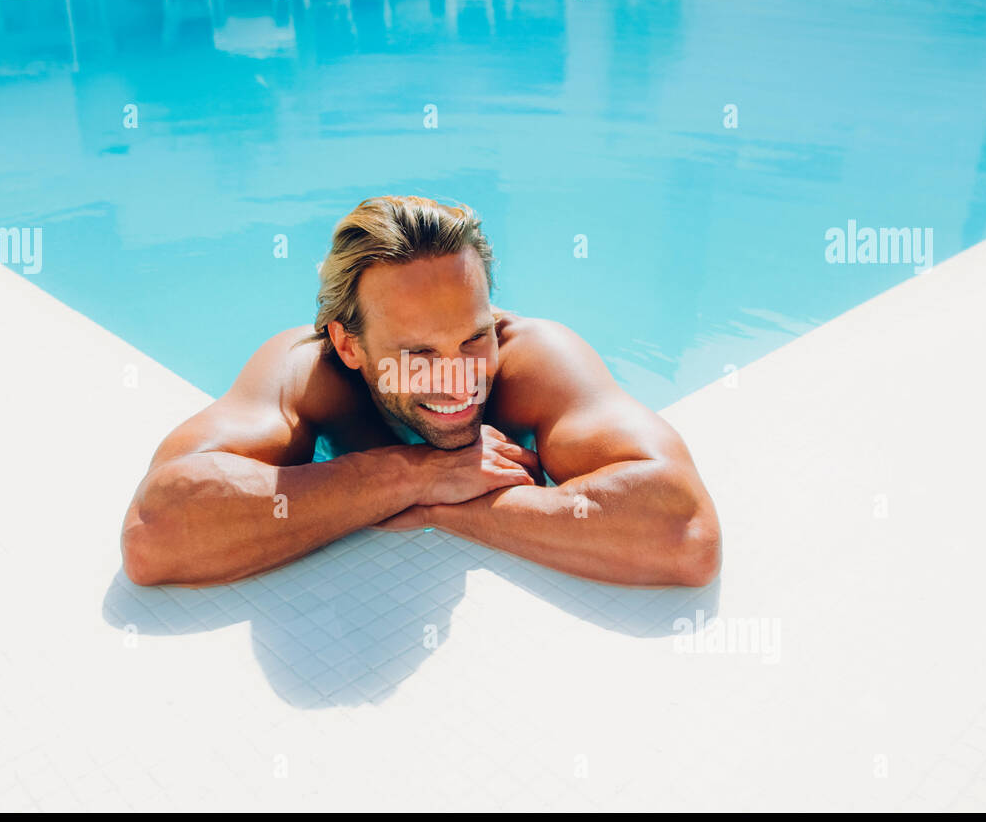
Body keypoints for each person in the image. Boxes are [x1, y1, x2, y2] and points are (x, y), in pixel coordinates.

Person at [121, 196, 720, 588]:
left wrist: (444, 509)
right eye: (419, 354)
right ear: (350, 345)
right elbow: (156, 528)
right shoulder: (309, 373)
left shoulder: (535, 358)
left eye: (473, 337)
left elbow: (682, 530)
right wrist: (413, 476)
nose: (457, 376)